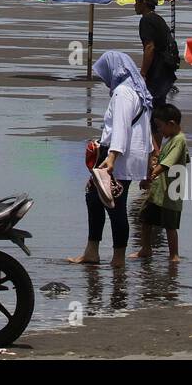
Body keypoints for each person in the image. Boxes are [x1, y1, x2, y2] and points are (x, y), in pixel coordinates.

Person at [68, 51, 153, 268]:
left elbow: (122, 126)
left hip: (117, 156)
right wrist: (150, 158)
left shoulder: (123, 92)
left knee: (116, 205)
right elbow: (145, 130)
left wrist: (112, 157)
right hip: (128, 155)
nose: (105, 79)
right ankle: (92, 251)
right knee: (93, 197)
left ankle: (117, 258)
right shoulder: (138, 90)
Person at [134, 102, 187, 262]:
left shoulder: (179, 140)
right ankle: (146, 249)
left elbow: (167, 163)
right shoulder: (170, 139)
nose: (158, 130)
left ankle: (174, 255)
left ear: (171, 124)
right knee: (145, 218)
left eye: (160, 126)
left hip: (170, 192)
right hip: (158, 190)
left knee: (170, 225)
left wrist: (151, 176)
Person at [132, 0, 177, 115]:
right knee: (158, 109)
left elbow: (149, 47)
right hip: (166, 72)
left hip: (158, 74)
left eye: (137, 1)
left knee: (153, 112)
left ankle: (155, 134)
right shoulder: (158, 19)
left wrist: (143, 73)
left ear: (144, 3)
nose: (134, 4)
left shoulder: (146, 20)